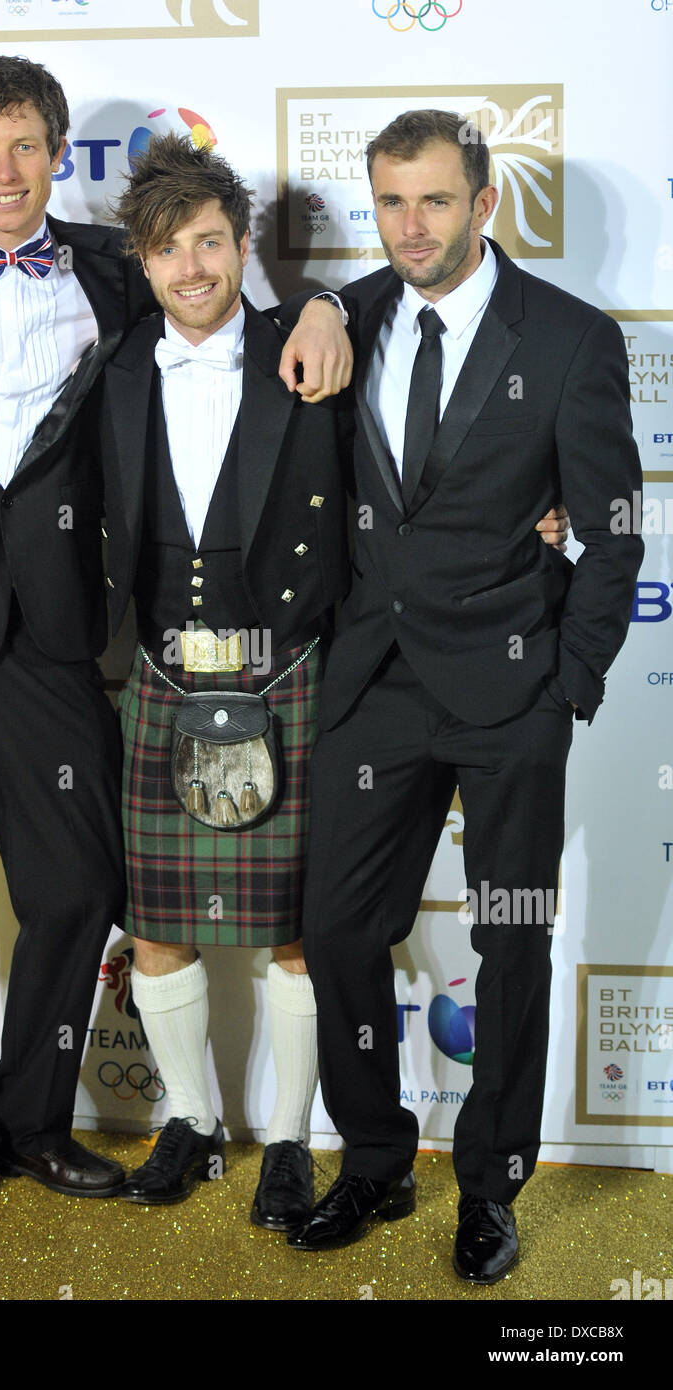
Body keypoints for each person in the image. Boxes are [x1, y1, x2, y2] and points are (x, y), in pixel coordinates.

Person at [0, 56, 348, 1230]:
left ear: (60, 157)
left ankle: (34, 1116)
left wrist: (327, 301)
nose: (5, 172)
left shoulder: (121, 265)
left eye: (26, 146)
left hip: (50, 641)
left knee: (83, 884)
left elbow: (228, 301)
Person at [99, 132, 569, 1232]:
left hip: (308, 670)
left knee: (313, 928)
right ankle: (198, 1122)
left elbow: (484, 496)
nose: (194, 267)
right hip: (172, 674)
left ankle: (308, 1144)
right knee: (174, 919)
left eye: (211, 240)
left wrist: (549, 572)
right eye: (168, 250)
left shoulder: (316, 342)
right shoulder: (113, 369)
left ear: (241, 242)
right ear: (141, 260)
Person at [285, 110, 643, 1280]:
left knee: (513, 945)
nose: (410, 226)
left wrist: (567, 686)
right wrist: (325, 298)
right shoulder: (355, 315)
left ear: (483, 204)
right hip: (372, 684)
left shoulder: (572, 338)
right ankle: (375, 1160)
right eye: (389, 202)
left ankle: (488, 1185)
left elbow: (612, 534)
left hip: (507, 693)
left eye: (433, 201)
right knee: (338, 929)